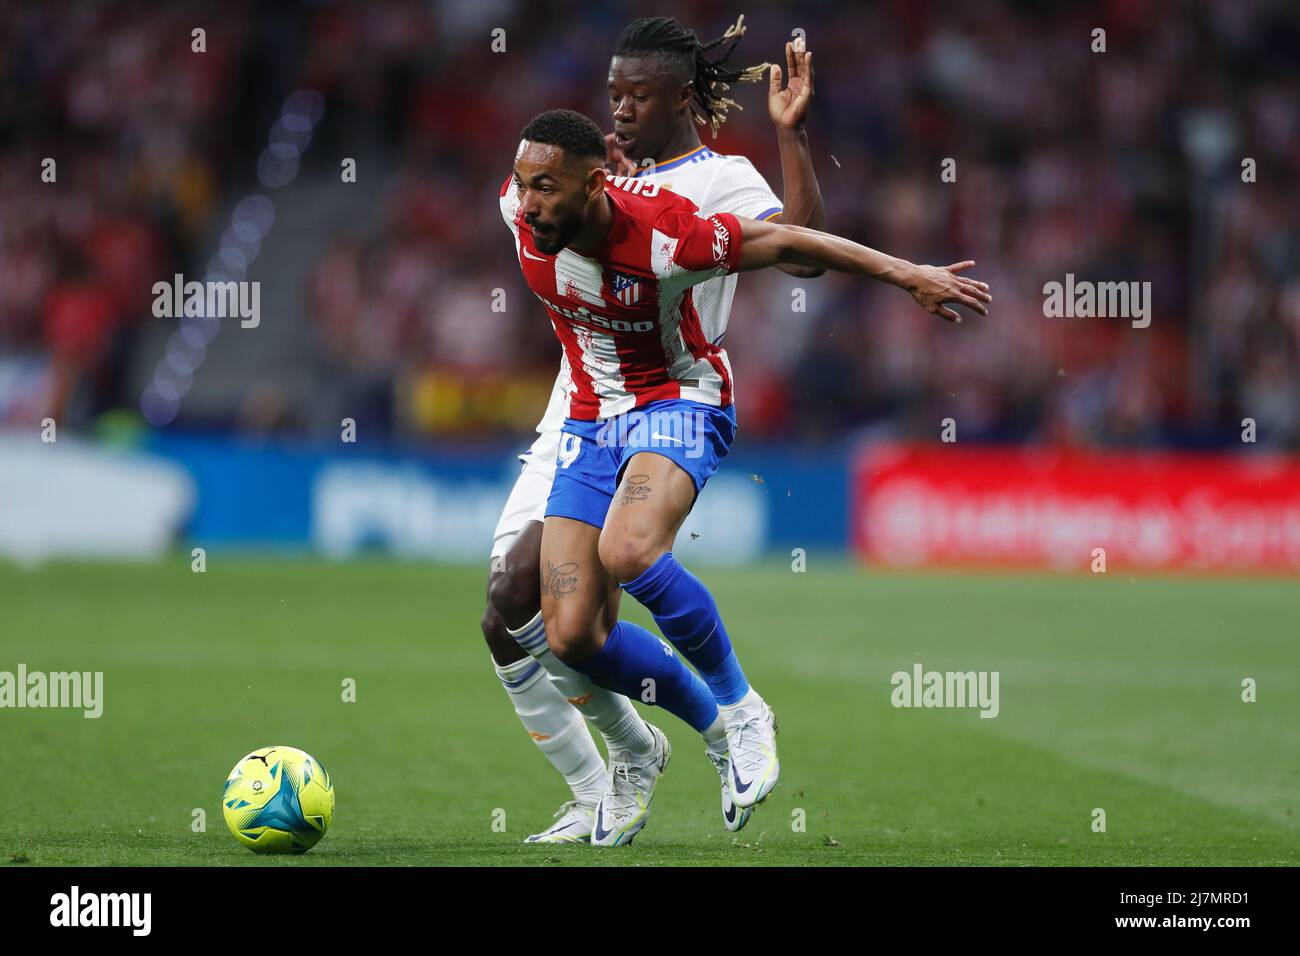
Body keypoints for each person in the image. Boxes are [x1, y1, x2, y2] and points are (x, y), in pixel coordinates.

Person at [501, 108, 990, 846]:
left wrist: (907, 273)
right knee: (570, 635)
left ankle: (744, 707)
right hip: (589, 419)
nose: (528, 201)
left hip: (678, 401)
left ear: (595, 185)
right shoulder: (519, 213)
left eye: (545, 186)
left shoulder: (668, 233)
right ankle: (705, 732)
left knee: (628, 551)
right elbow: (527, 202)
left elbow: (788, 240)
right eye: (522, 183)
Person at [482, 16, 826, 844]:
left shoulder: (722, 179)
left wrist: (792, 137)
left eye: (639, 95)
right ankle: (622, 766)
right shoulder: (587, 174)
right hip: (579, 410)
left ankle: (719, 724)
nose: (624, 109)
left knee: (603, 571)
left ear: (683, 97)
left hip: (669, 402)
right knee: (510, 613)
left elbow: (805, 253)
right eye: (614, 95)